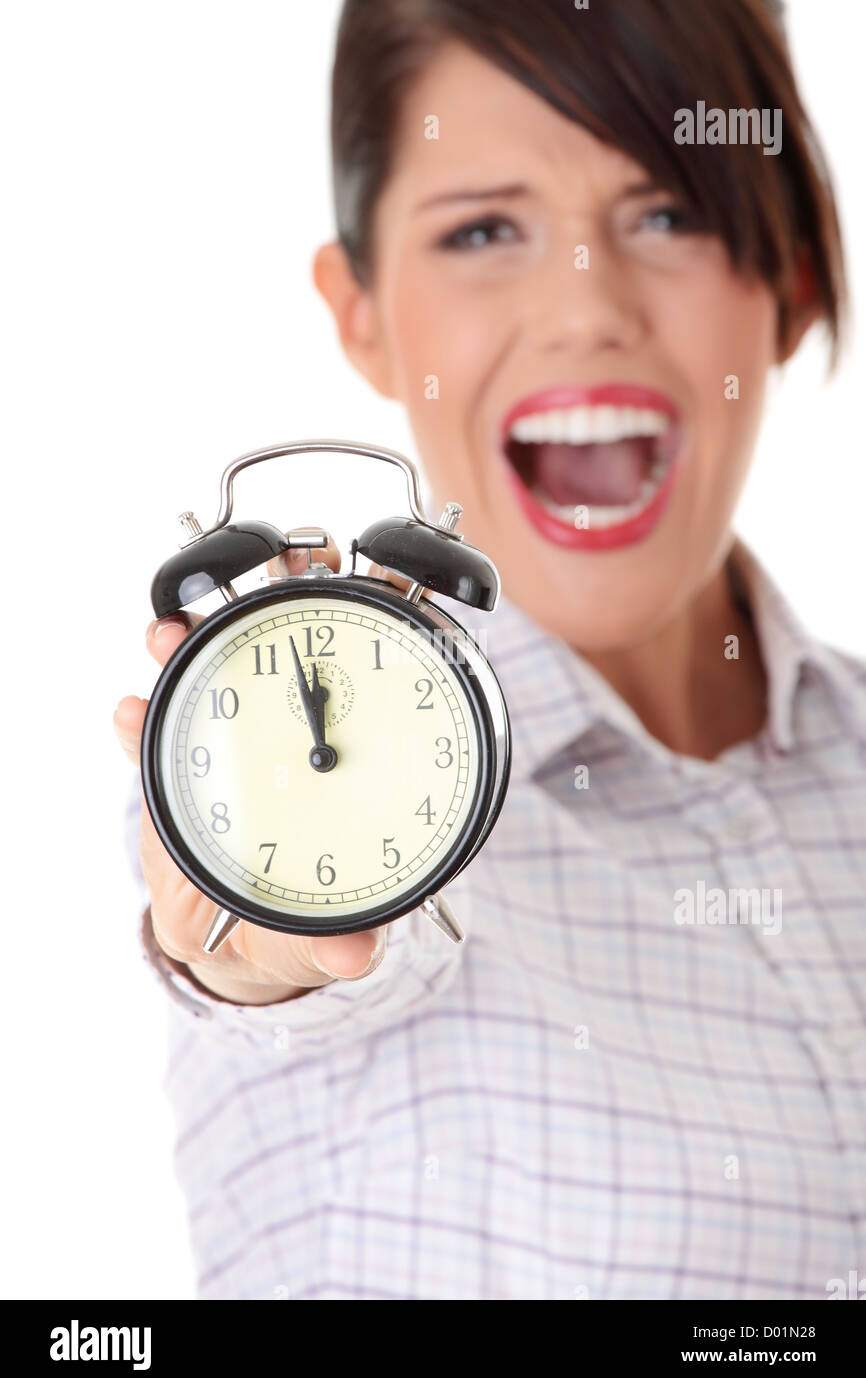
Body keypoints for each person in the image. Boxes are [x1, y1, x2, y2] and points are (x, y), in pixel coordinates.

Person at [113, 0, 865, 1300]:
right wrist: (261, 935)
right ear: (360, 313)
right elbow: (288, 971)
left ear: (791, 277)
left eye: (668, 212)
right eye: (481, 229)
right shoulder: (281, 761)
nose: (586, 310)